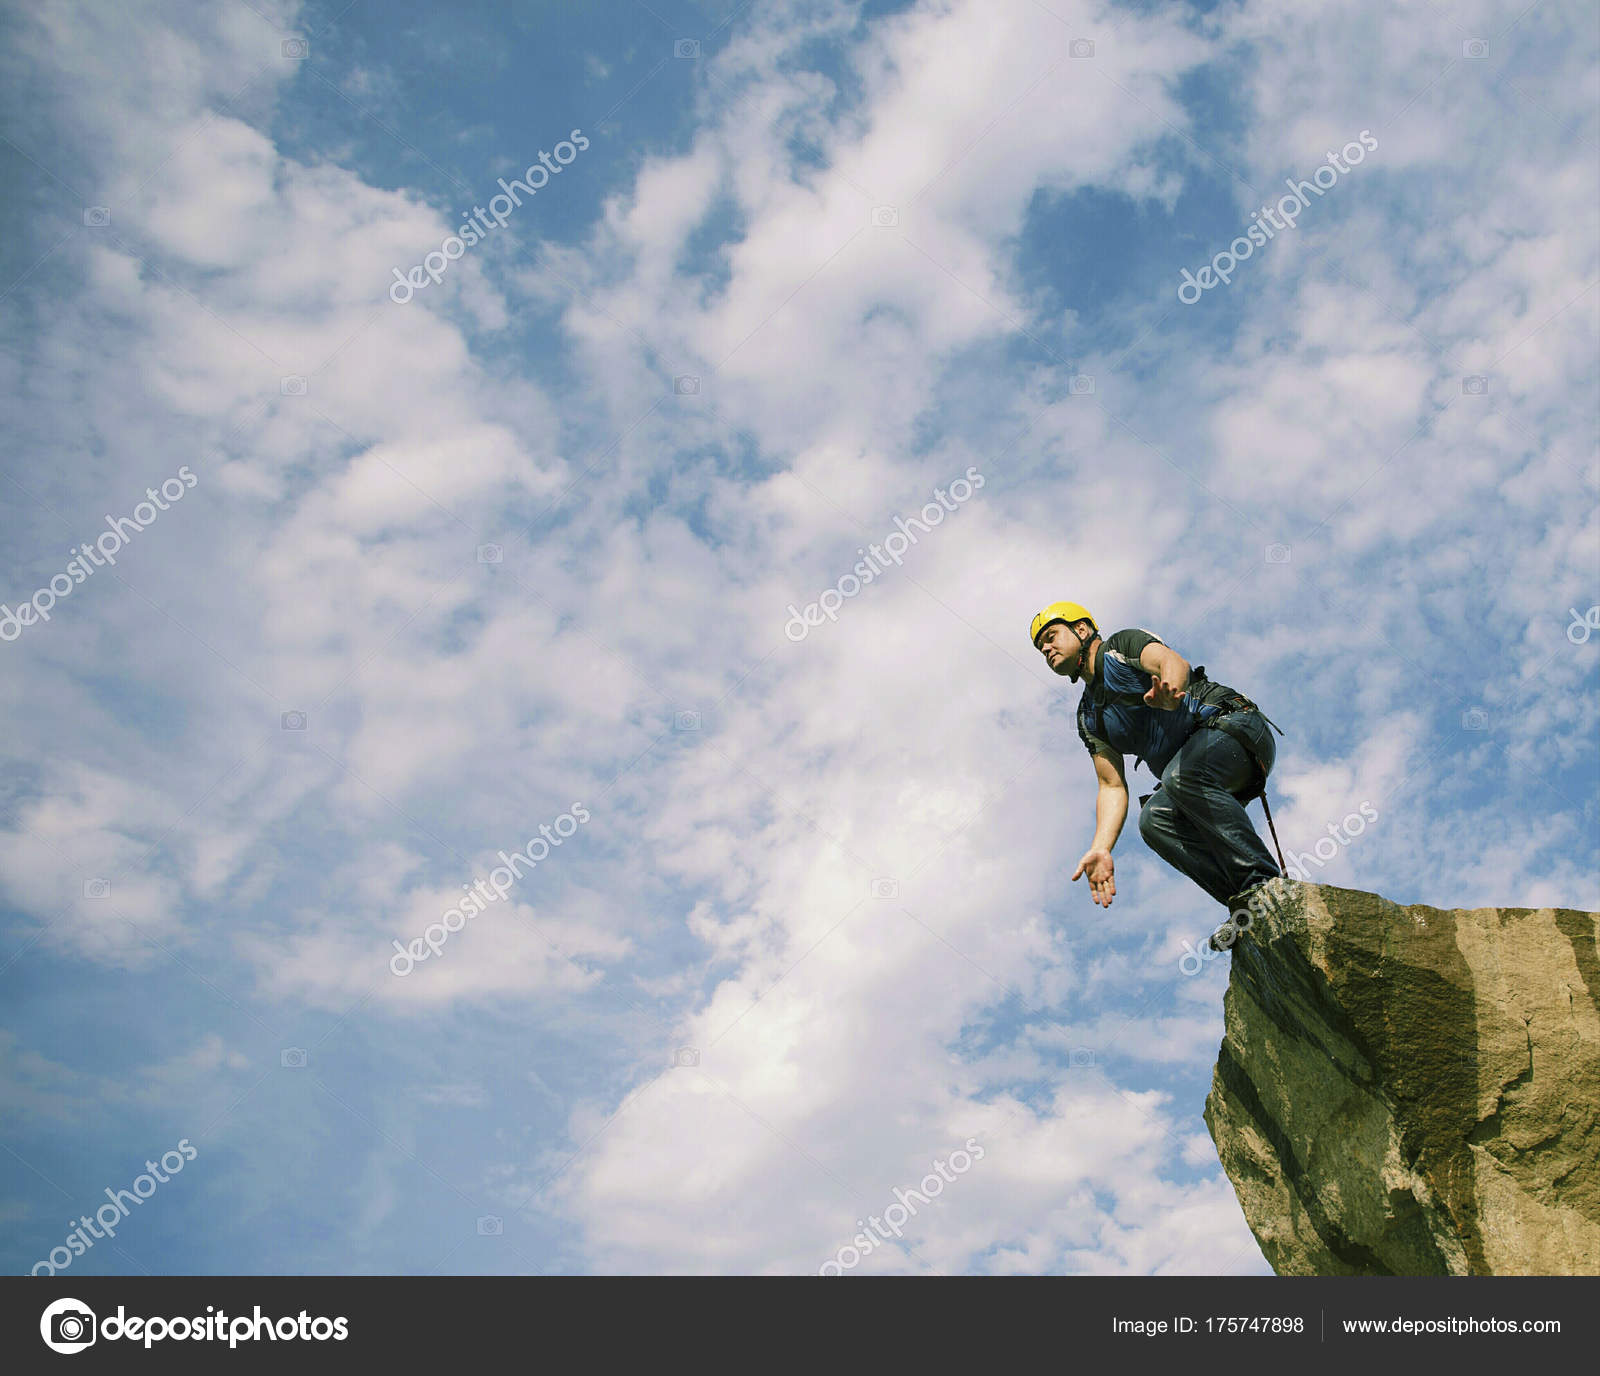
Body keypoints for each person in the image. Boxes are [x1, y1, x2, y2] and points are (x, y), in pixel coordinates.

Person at [1030, 601, 1287, 932]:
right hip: (1191, 777)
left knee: (1179, 777)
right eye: (1041, 648)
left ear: (1081, 629)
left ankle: (1264, 884)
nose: (1047, 649)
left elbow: (1171, 662)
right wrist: (1101, 847)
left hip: (1234, 729)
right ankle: (1246, 906)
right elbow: (1111, 786)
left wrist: (1172, 691)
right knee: (1155, 819)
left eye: (1051, 637)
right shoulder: (1089, 717)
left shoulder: (1120, 648)